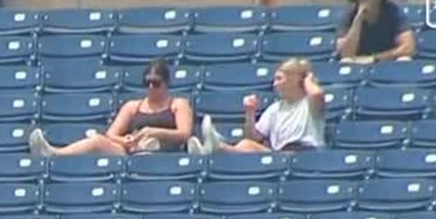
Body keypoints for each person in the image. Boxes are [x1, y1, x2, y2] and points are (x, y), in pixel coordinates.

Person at [29, 58, 194, 157]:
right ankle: (55, 153)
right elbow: (111, 134)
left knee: (151, 143)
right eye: (147, 83)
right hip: (133, 150)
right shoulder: (133, 106)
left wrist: (153, 131)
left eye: (156, 83)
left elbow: (184, 133)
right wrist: (126, 140)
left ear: (166, 84)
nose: (151, 87)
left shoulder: (178, 104)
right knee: (97, 140)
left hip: (164, 150)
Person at [188, 58, 326, 155]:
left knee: (246, 146)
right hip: (281, 156)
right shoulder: (275, 108)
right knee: (246, 144)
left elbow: (316, 93)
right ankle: (214, 148)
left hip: (306, 154)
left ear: (295, 79)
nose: (274, 84)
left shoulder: (308, 104)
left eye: (279, 78)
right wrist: (250, 113)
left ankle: (217, 146)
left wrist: (306, 78)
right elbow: (253, 137)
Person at [337, 0, 416, 64]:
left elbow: (409, 48)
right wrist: (358, 19)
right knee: (345, 61)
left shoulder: (394, 12)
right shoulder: (349, 15)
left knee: (404, 60)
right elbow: (345, 53)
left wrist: (375, 58)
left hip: (387, 59)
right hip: (358, 60)